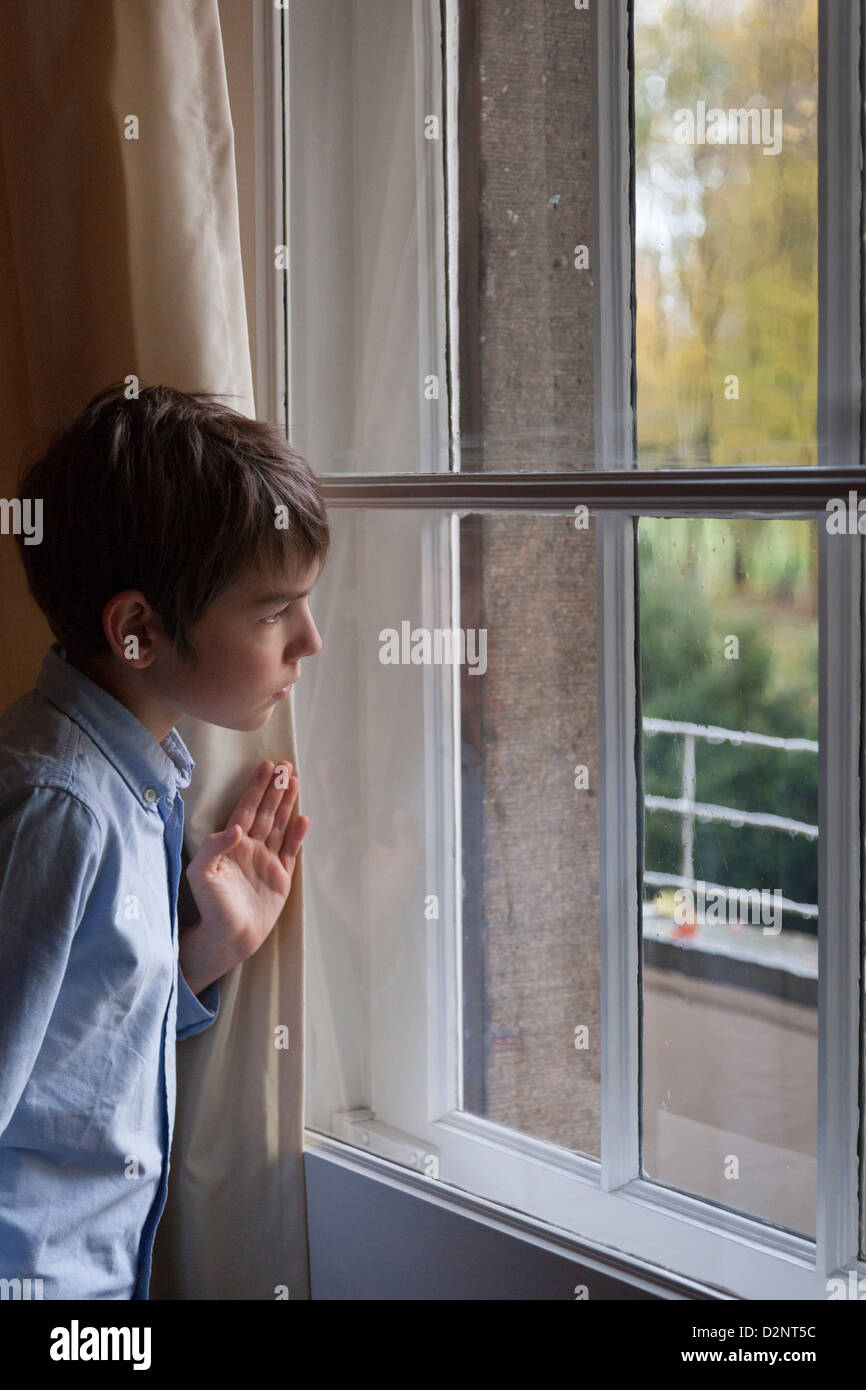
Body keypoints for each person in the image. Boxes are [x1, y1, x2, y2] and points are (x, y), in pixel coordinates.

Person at [0, 382, 328, 1299]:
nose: (311, 638)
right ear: (139, 633)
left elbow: (79, 1037)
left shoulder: (140, 780)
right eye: (273, 613)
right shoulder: (58, 806)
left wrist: (201, 956)